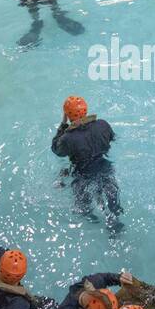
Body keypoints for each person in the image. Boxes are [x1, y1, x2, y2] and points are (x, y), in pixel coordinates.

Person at [53, 95, 122, 230]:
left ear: (67, 115)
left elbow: (56, 150)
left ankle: (93, 220)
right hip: (104, 167)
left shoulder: (67, 138)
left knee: (83, 207)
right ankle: (115, 221)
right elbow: (112, 137)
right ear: (85, 109)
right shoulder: (103, 124)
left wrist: (62, 125)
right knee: (112, 198)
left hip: (82, 174)